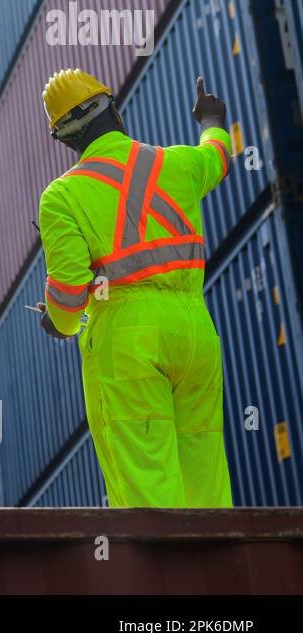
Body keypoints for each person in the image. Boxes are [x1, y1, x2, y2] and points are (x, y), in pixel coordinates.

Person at [35, 68, 234, 507]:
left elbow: (69, 293)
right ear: (114, 107)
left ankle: (168, 575)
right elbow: (219, 157)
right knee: (204, 477)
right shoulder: (176, 163)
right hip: (194, 330)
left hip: (128, 339)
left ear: (65, 140)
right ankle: (216, 571)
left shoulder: (61, 197)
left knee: (150, 493)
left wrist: (58, 321)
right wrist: (209, 119)